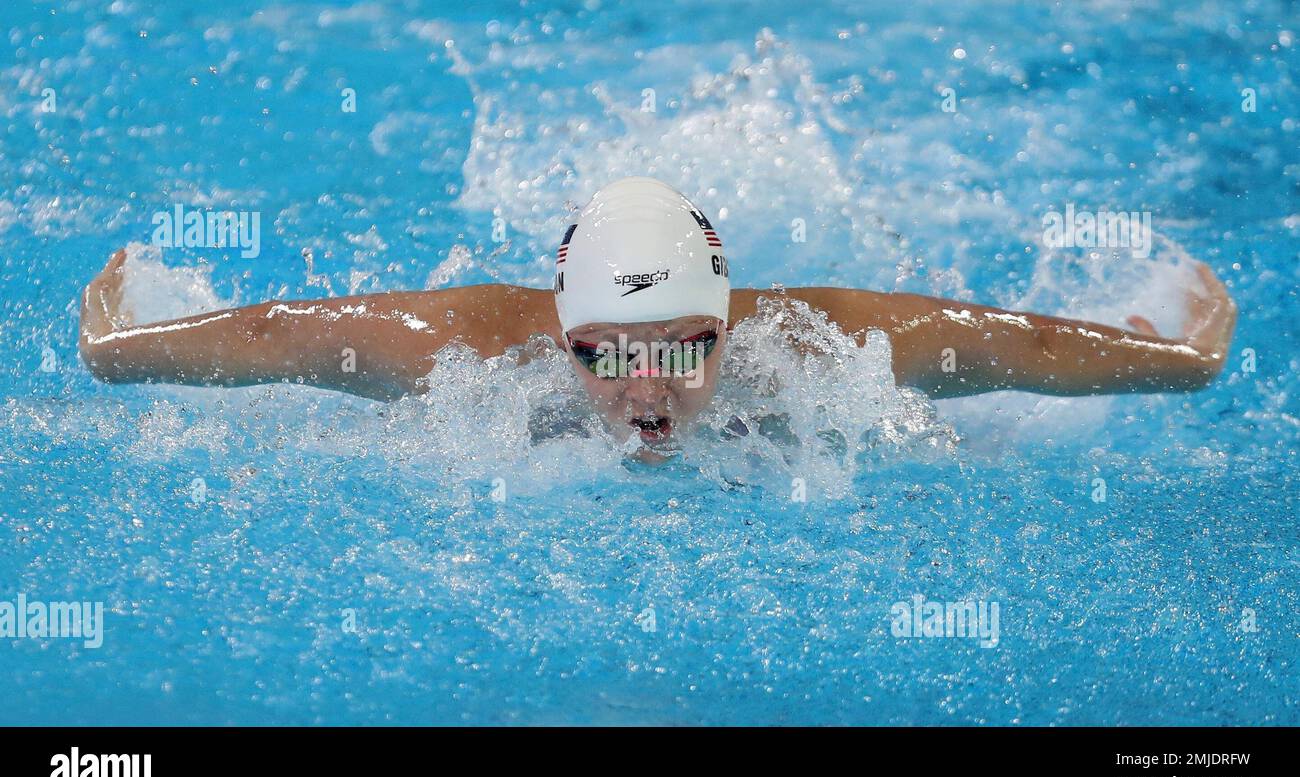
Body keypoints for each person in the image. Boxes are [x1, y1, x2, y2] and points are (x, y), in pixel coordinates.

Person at [79, 177, 1237, 449]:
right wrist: (120, 342)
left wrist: (1176, 348)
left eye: (683, 349)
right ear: (559, 328)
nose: (642, 391)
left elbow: (1022, 343)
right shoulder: (471, 350)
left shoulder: (823, 344)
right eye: (605, 354)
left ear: (729, 327)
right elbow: (284, 334)